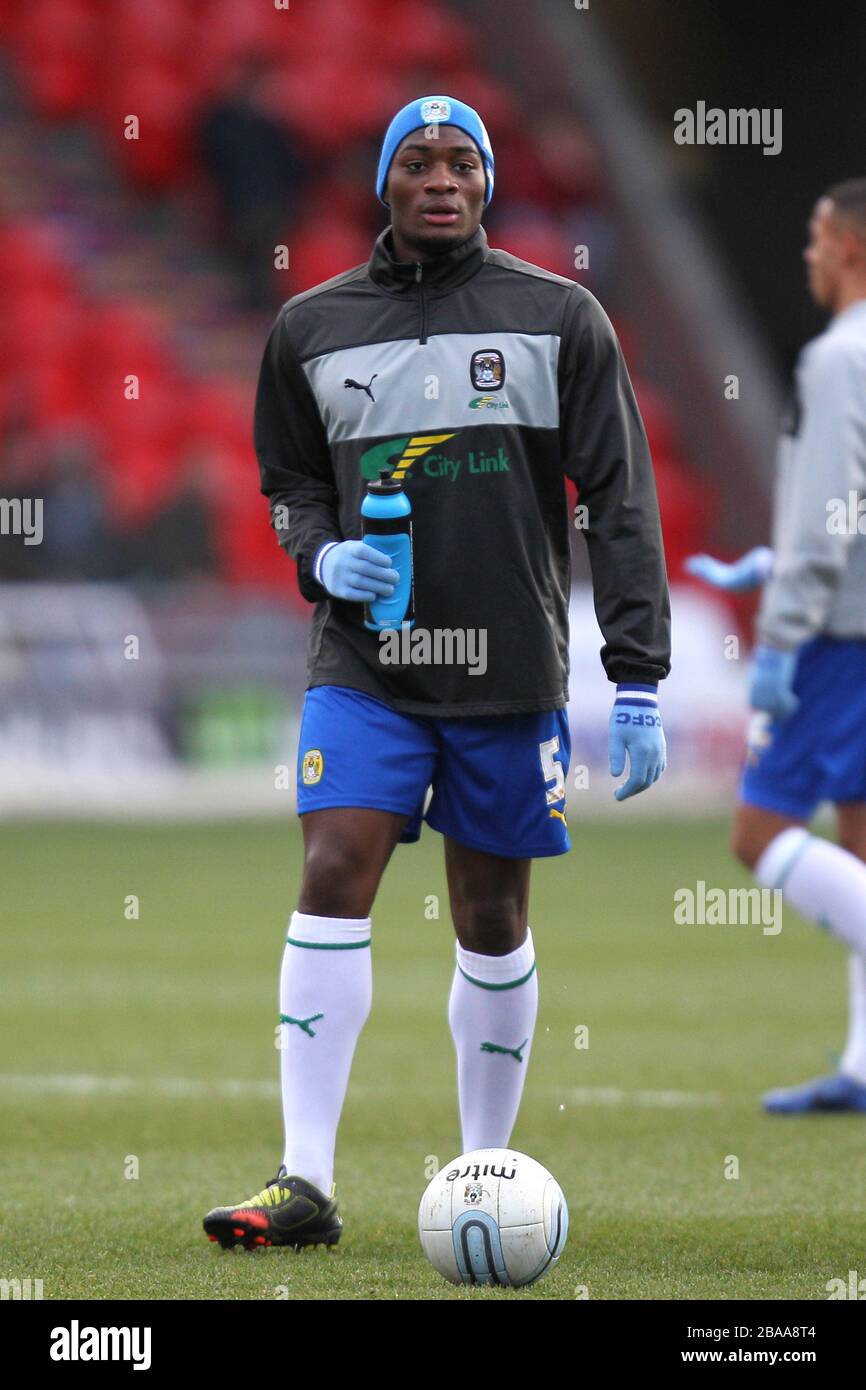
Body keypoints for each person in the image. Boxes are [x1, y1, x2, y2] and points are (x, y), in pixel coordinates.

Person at [203, 94, 670, 1251]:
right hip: (364, 663)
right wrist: (321, 553)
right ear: (384, 182)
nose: (440, 179)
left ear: (488, 181)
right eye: (416, 162)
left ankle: (482, 1164)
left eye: (462, 161)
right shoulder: (310, 327)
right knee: (331, 860)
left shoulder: (560, 315)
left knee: (492, 910)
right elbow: (288, 481)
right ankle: (302, 1182)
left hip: (505, 667)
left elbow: (617, 501)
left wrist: (640, 672)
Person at [686, 178, 866, 1114]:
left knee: (760, 833)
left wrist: (782, 630)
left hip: (841, 640)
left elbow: (831, 513)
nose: (805, 254)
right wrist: (783, 556)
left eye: (815, 237)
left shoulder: (840, 358)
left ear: (847, 247)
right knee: (860, 835)